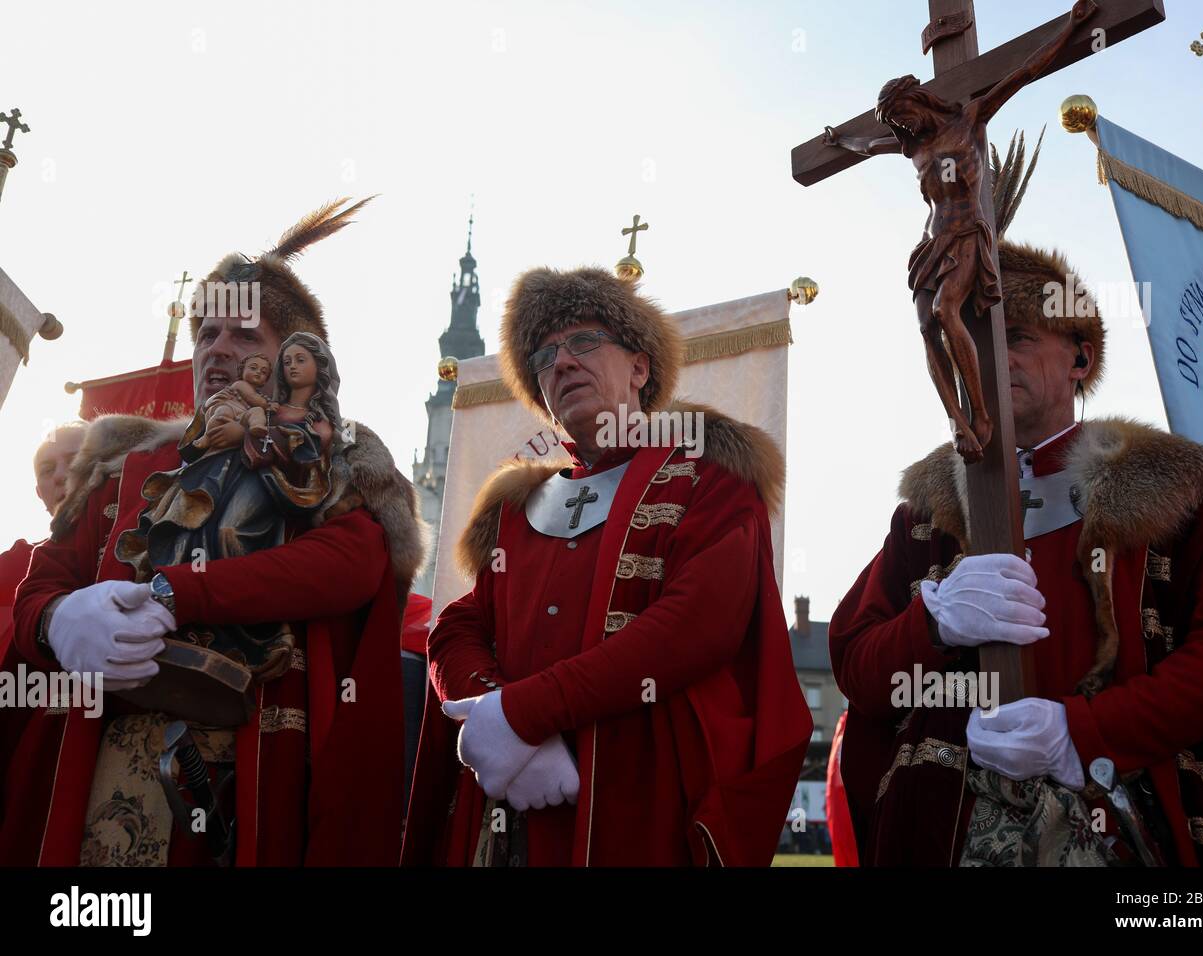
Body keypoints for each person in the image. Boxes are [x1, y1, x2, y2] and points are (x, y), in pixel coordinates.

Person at [829, 240, 1203, 866]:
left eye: (1016, 335)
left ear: (1080, 357)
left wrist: (1083, 734)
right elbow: (858, 669)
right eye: (968, 340)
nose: (988, 356)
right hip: (943, 830)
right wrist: (929, 624)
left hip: (1130, 823)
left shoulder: (1171, 488)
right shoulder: (924, 512)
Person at [1, 198, 429, 866]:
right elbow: (45, 581)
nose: (218, 350)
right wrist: (56, 619)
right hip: (93, 774)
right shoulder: (121, 464)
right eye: (208, 335)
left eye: (244, 336)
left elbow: (350, 561)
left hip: (255, 777)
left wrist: (176, 593)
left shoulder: (332, 456)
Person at [404, 266, 811, 866]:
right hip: (508, 820)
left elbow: (696, 626)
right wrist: (494, 714)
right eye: (544, 355)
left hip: (637, 811)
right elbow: (460, 626)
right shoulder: (516, 511)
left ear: (640, 368)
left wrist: (523, 715)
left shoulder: (709, 475)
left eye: (585, 342)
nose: (562, 361)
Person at [0, 423, 87, 658]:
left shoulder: (156, 547)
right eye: (47, 470)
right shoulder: (13, 565)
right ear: (39, 493)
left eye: (76, 459)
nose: (60, 475)